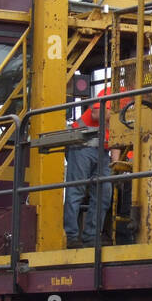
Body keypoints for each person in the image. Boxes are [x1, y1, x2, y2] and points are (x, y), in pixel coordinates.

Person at [63, 86, 130, 248]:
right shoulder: (116, 90)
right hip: (81, 145)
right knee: (76, 190)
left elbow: (116, 139)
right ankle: (71, 236)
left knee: (104, 193)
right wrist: (111, 118)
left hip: (102, 150)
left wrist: (117, 166)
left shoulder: (136, 107)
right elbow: (96, 112)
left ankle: (91, 237)